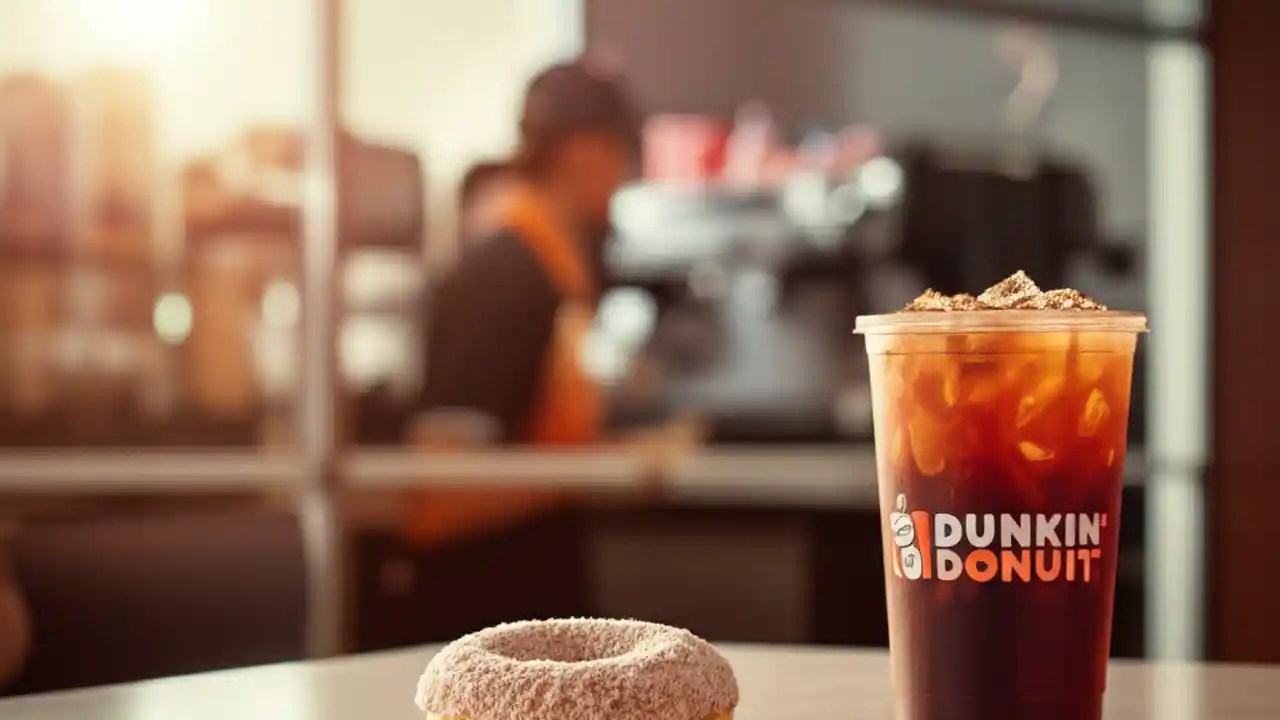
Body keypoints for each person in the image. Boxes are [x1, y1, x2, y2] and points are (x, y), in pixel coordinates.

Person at [416, 60, 640, 446]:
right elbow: (447, 485)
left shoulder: (551, 262)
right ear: (580, 150)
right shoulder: (504, 275)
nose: (624, 174)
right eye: (618, 150)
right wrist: (624, 466)